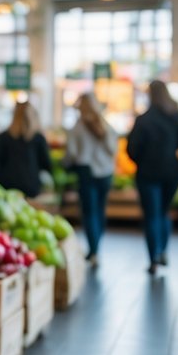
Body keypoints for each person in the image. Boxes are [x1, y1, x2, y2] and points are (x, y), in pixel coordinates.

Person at [127, 80, 178, 275]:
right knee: (164, 212)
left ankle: (153, 258)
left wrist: (142, 160)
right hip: (172, 173)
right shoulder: (177, 117)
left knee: (151, 215)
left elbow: (131, 149)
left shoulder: (143, 120)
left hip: (147, 173)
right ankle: (163, 250)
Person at [62, 92, 117, 265]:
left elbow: (71, 154)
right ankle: (96, 246)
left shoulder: (77, 127)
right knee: (100, 210)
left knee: (89, 212)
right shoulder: (106, 125)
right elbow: (113, 150)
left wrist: (63, 164)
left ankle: (93, 250)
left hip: (85, 172)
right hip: (106, 172)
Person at [0, 101, 51, 198]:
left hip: (6, 185)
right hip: (31, 186)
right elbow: (46, 165)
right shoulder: (38, 138)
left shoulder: (3, 137)